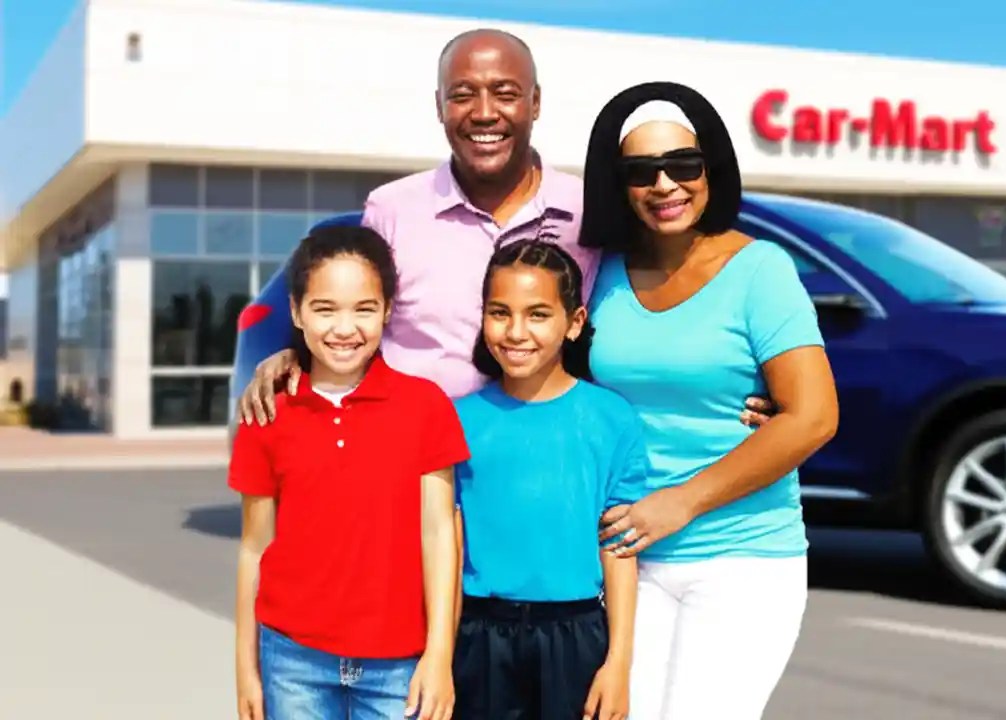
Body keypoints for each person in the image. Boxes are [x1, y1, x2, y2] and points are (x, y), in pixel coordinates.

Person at [235, 28, 774, 424]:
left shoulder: (590, 211)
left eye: (506, 93)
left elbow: (665, 294)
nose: (484, 112)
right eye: (463, 94)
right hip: (416, 476)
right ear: (440, 107)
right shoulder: (392, 210)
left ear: (535, 104)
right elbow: (353, 316)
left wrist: (743, 385)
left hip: (544, 473)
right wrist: (294, 355)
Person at [582, 82, 841, 719]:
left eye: (683, 165)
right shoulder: (599, 271)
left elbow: (813, 416)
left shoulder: (761, 270)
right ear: (618, 185)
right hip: (621, 560)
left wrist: (681, 502)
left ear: (711, 169)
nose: (665, 184)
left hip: (742, 555)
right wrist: (292, 349)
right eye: (641, 172)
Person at [230, 226, 466, 720]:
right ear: (296, 312)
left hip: (399, 667)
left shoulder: (425, 406)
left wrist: (440, 655)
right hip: (292, 662)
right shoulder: (266, 412)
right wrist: (246, 670)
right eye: (324, 309)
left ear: (387, 311)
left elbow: (440, 533)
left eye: (364, 308)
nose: (344, 328)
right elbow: (254, 546)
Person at [451, 238, 645, 720]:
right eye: (500, 313)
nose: (516, 332)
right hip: (478, 636)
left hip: (576, 637)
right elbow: (446, 543)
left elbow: (618, 547)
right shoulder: (457, 420)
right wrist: (438, 654)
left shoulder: (612, 418)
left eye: (538, 314)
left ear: (574, 323)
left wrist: (618, 664)